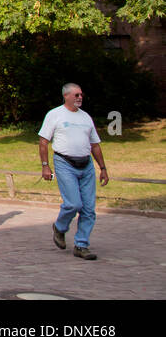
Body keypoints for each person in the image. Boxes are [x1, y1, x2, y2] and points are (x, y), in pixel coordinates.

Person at [39, 83, 109, 260]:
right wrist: (45, 165)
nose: (80, 97)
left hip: (86, 165)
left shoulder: (86, 117)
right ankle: (60, 227)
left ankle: (81, 245)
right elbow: (43, 141)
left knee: (88, 209)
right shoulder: (55, 114)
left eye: (81, 95)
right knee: (73, 204)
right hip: (64, 163)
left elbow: (95, 145)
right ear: (66, 96)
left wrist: (103, 168)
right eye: (76, 95)